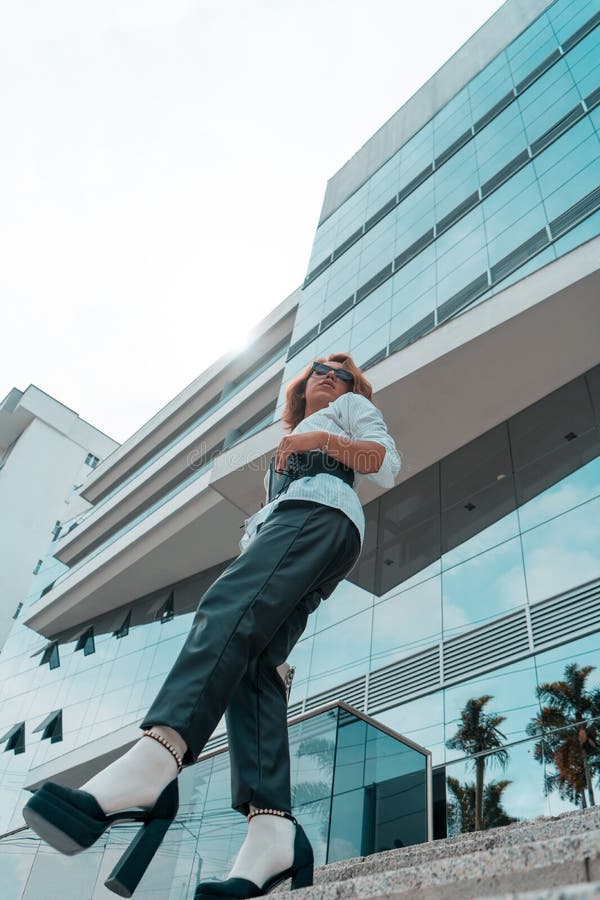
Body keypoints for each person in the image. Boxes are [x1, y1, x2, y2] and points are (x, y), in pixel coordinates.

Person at [23, 352, 401, 899]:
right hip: (304, 523)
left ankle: (157, 759)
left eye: (343, 372)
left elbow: (385, 462)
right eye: (320, 367)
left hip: (322, 513)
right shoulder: (287, 441)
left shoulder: (347, 411)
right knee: (255, 672)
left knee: (224, 611)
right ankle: (273, 832)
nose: (329, 374)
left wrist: (323, 444)